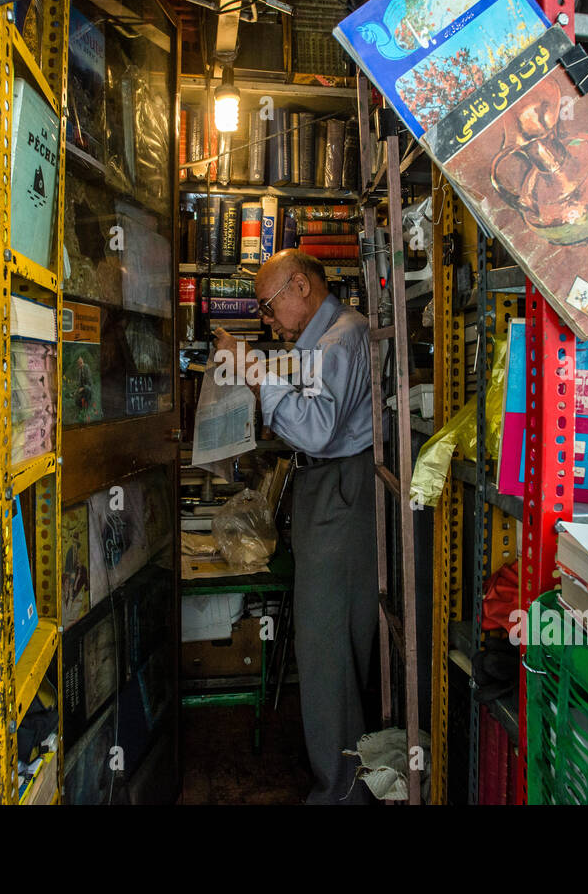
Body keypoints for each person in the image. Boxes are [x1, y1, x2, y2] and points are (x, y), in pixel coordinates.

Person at [212, 249, 377, 805]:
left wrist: (253, 371)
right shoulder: (317, 342)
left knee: (329, 643)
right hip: (322, 490)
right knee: (323, 637)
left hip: (340, 488)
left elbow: (320, 429)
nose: (265, 316)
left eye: (267, 303)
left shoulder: (344, 337)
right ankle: (342, 781)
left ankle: (341, 792)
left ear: (300, 286)